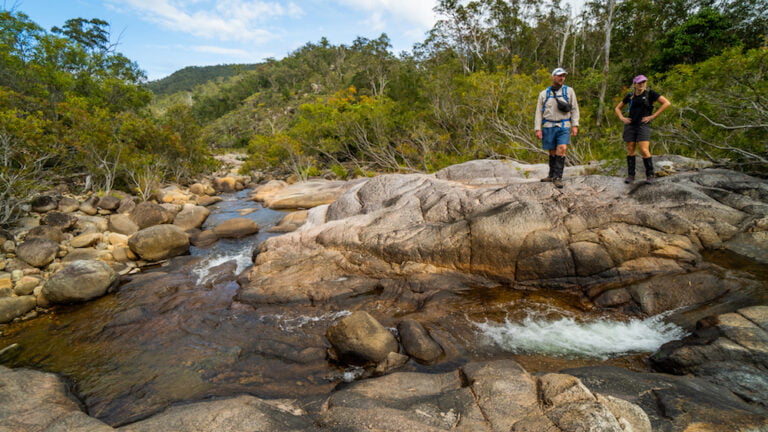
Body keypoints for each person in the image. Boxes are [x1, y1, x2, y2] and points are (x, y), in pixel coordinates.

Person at [614, 75, 671, 184]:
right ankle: (631, 175)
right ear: (634, 84)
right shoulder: (630, 96)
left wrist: (653, 116)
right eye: (639, 83)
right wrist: (622, 118)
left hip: (643, 125)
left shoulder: (650, 94)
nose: (642, 84)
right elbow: (617, 108)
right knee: (630, 149)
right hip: (631, 125)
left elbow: (666, 103)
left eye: (644, 82)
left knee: (644, 150)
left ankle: (650, 175)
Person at [535, 68, 580, 189]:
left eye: (563, 76)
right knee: (552, 151)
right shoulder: (544, 94)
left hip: (564, 125)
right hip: (548, 125)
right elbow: (538, 112)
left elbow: (575, 109)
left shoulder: (569, 91)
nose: (562, 78)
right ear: (553, 77)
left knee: (562, 148)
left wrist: (575, 125)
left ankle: (558, 177)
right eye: (559, 76)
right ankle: (551, 175)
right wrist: (537, 128)